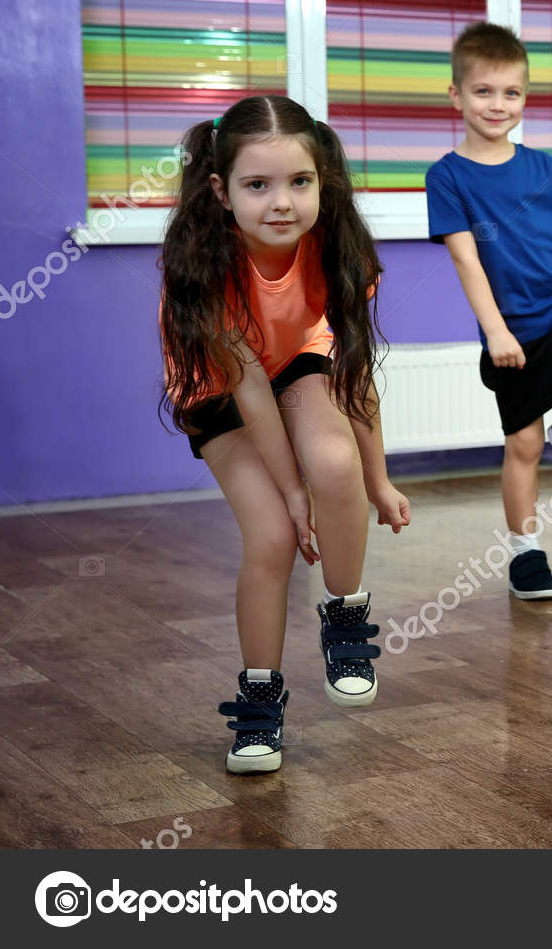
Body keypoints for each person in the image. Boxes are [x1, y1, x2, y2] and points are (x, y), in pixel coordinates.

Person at [161, 95, 409, 774]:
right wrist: (293, 499)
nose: (282, 202)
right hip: (219, 391)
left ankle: (345, 611)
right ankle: (260, 701)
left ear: (321, 182)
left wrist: (378, 478)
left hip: (295, 364)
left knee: (337, 465)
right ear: (221, 191)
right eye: (257, 185)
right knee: (271, 534)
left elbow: (354, 368)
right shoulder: (207, 268)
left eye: (299, 182)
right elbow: (247, 391)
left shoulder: (337, 250)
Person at [426, 22, 552, 600]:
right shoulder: (447, 176)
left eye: (511, 93)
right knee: (523, 444)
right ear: (457, 95)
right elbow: (467, 262)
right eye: (483, 91)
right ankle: (525, 553)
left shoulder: (543, 167)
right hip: (514, 328)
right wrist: (495, 332)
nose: (498, 105)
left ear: (525, 98)